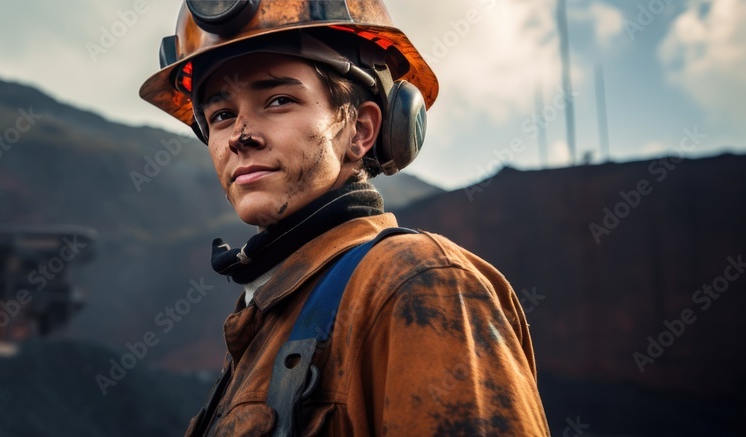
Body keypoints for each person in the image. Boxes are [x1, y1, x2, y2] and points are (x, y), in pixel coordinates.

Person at [139, 1, 550, 435]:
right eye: (221, 115)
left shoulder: (417, 281)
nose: (241, 136)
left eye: (278, 100)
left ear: (361, 130)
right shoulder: (265, 318)